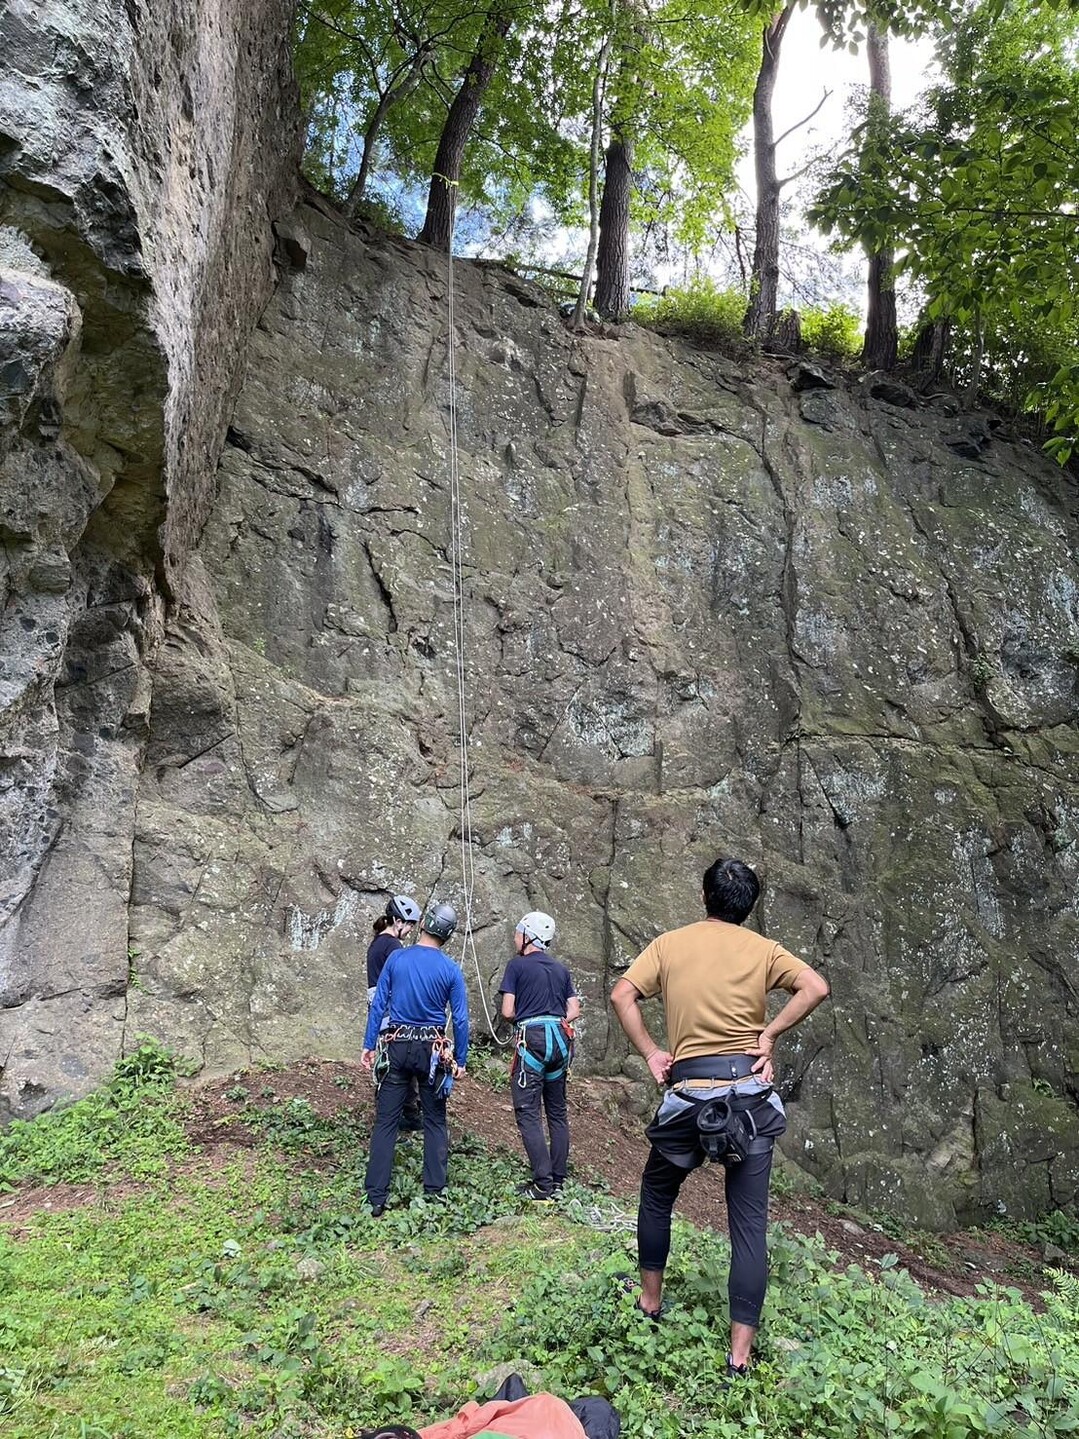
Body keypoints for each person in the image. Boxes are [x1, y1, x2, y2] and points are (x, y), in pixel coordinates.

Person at [610, 856, 829, 1376]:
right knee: (749, 1227)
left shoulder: (669, 944)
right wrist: (769, 1035)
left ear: (705, 897)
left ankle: (649, 1303)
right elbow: (815, 987)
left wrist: (651, 1053)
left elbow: (623, 994)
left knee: (657, 1195)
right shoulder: (765, 951)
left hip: (687, 1097)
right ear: (748, 908)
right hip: (748, 1100)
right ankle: (738, 1357)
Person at [361, 902, 469, 1216]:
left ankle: (376, 1198)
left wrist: (369, 1045)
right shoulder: (449, 969)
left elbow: (379, 1004)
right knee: (434, 1119)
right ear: (447, 935)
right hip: (432, 1050)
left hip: (396, 1044)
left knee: (386, 1122)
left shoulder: (397, 958)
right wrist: (461, 1059)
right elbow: (460, 1020)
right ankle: (434, 1194)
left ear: (422, 924)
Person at [499, 911, 580, 1201]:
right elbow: (574, 1010)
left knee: (528, 1112)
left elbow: (508, 1010)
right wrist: (555, 1019)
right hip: (560, 1039)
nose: (515, 936)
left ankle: (542, 1184)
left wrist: (525, 1019)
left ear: (529, 936)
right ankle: (557, 1180)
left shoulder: (516, 966)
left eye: (519, 931)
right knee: (556, 1111)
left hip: (531, 1039)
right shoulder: (560, 970)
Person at [367, 895, 423, 1131]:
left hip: (381, 1010)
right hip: (392, 1011)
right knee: (399, 1063)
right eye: (409, 924)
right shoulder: (392, 945)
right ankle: (403, 1114)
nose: (410, 929)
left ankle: (403, 1112)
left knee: (392, 1061)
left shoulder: (378, 942)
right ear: (397, 921)